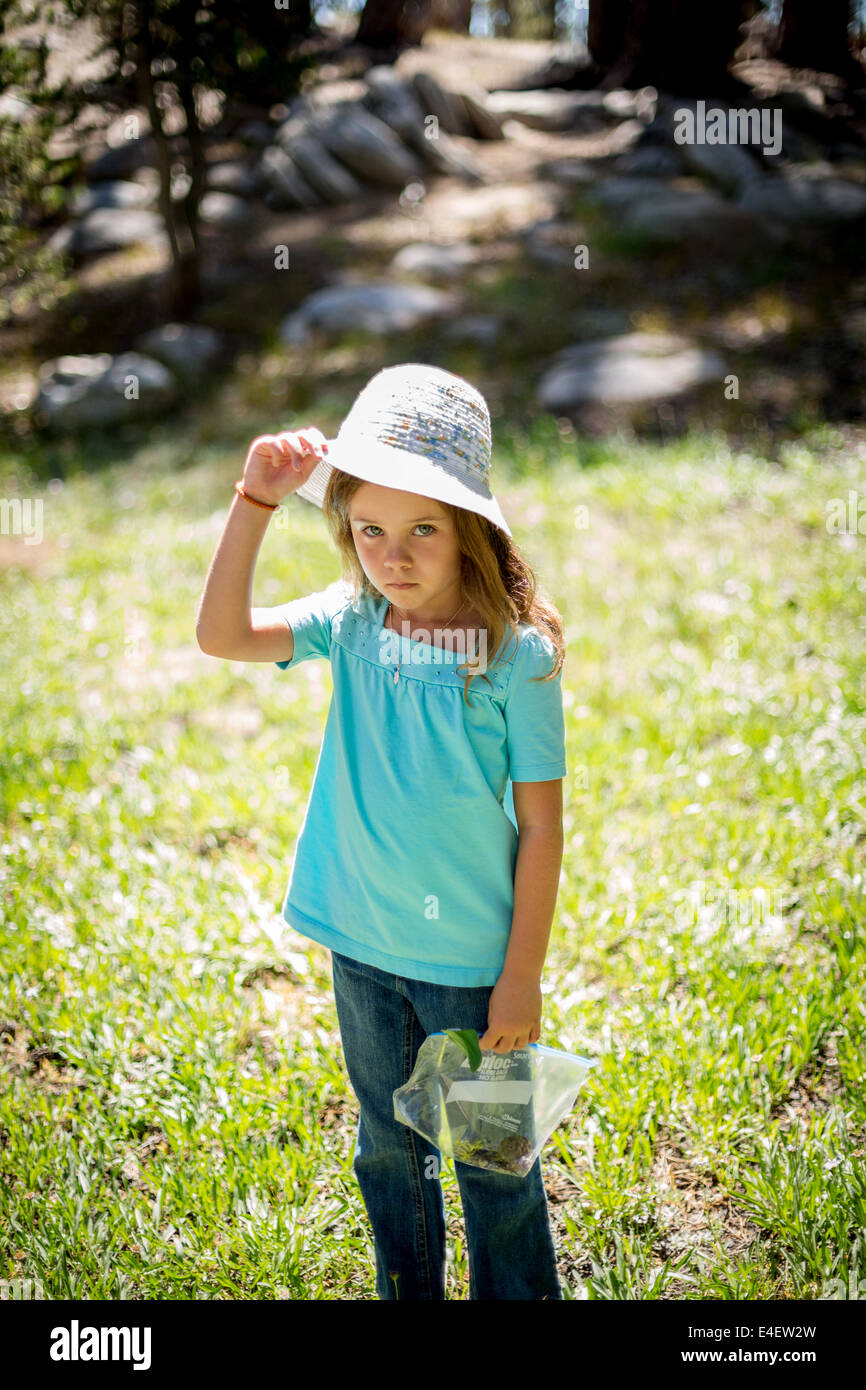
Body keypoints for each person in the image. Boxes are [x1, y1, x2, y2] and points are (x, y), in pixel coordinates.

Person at [195, 363, 568, 1300]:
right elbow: (222, 634)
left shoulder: (515, 656)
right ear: (345, 528)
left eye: (423, 530)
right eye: (369, 530)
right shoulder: (350, 621)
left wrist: (520, 974)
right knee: (389, 1151)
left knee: (495, 1166)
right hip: (361, 943)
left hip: (475, 966)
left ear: (471, 531)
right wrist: (253, 499)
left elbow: (543, 829)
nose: (392, 556)